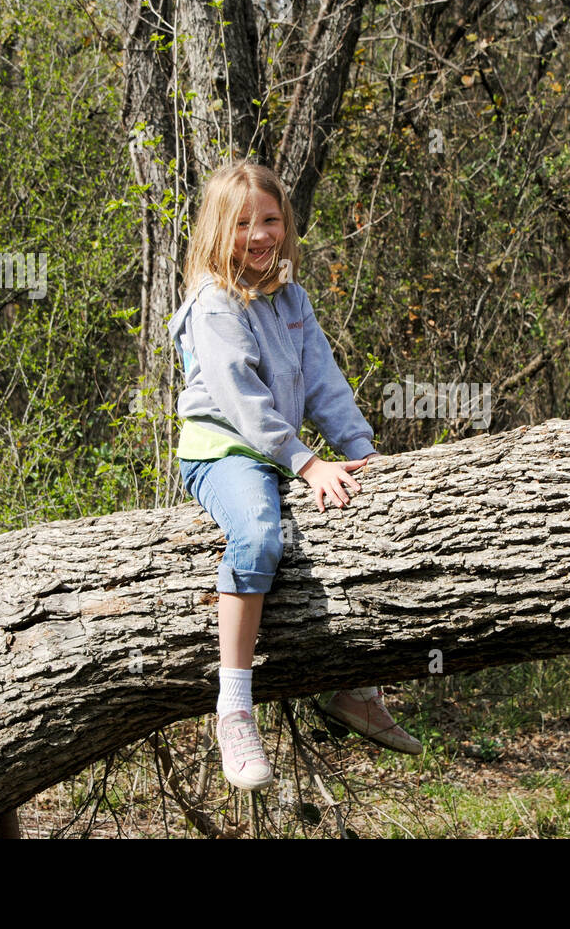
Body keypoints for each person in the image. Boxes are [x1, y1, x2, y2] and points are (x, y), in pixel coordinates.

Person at [167, 159, 422, 792]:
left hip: (277, 451)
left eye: (271, 219)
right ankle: (233, 708)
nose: (260, 235)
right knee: (258, 536)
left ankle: (354, 688)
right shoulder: (214, 303)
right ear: (216, 232)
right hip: (224, 450)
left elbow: (324, 384)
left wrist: (359, 449)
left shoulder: (291, 297)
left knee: (359, 521)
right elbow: (241, 399)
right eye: (243, 224)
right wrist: (307, 464)